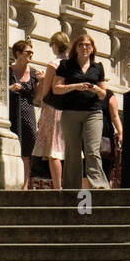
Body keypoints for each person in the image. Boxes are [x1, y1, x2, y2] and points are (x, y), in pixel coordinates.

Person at [52, 33, 110, 190]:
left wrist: (96, 88)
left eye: (88, 45)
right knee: (73, 151)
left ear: (92, 49)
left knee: (92, 150)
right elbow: (56, 89)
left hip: (93, 112)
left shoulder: (97, 67)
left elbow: (103, 94)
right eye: (81, 45)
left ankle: (99, 186)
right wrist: (75, 86)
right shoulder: (66, 65)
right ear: (76, 48)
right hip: (71, 112)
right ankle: (71, 187)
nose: (84, 48)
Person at [32, 31, 70, 190]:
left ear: (55, 45)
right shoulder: (73, 63)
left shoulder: (53, 64)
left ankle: (57, 186)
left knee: (53, 150)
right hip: (69, 109)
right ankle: (69, 184)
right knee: (67, 148)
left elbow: (46, 91)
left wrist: (41, 81)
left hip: (52, 109)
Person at [9, 39, 42, 188]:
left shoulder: (34, 72)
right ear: (18, 54)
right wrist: (10, 88)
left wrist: (41, 82)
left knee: (28, 147)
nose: (31, 55)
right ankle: (12, 181)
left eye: (32, 52)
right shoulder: (8, 70)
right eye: (28, 52)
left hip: (28, 110)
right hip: (11, 110)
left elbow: (38, 97)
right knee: (13, 144)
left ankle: (25, 184)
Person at [99, 89, 123, 186]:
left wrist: (120, 132)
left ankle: (105, 195)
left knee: (105, 167)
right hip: (86, 136)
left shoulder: (108, 94)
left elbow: (115, 115)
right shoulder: (84, 92)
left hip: (105, 135)